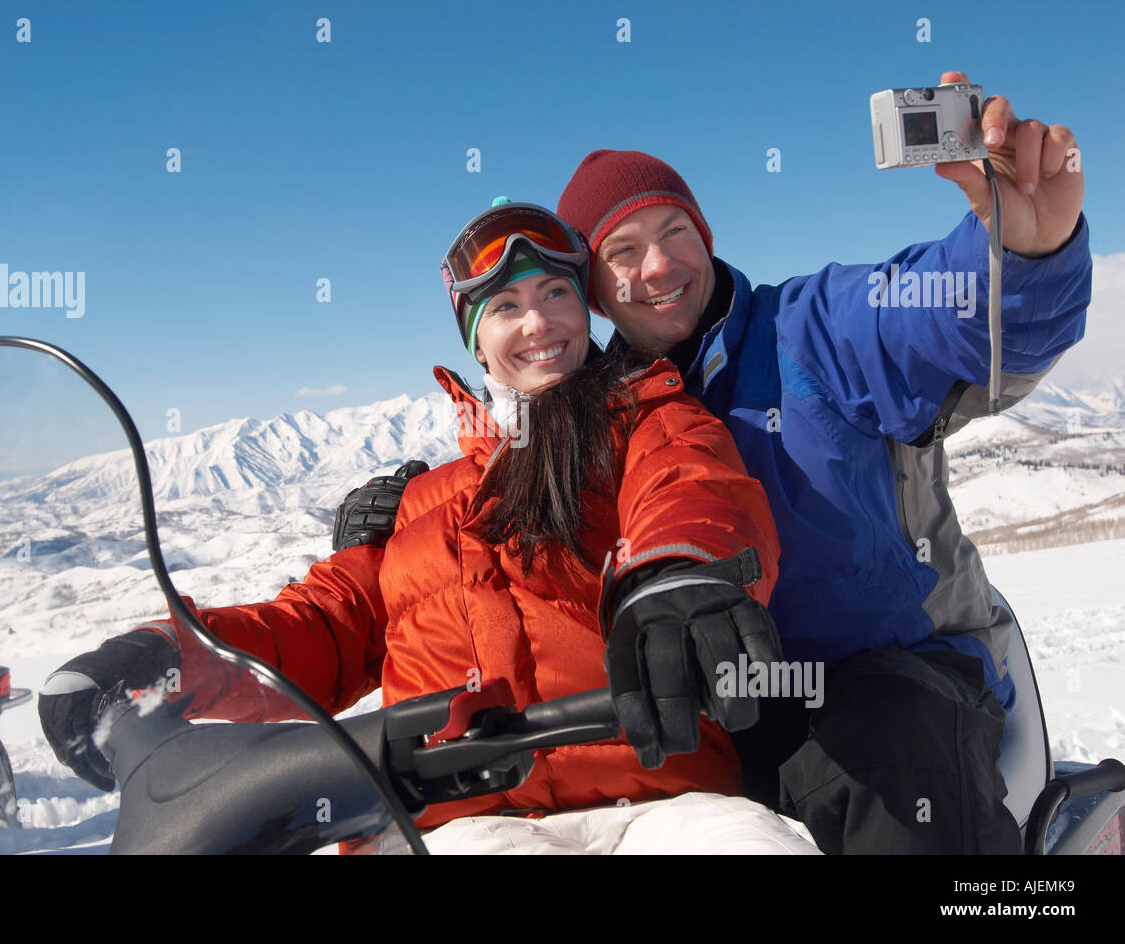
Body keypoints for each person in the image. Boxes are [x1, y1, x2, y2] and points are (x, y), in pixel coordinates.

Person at [336, 73, 1092, 854]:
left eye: (676, 234)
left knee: (880, 753)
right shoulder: (594, 416)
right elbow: (509, 521)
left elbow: (950, 322)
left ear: (707, 236)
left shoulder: (818, 330)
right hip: (721, 711)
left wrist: (1022, 250)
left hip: (896, 680)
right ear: (592, 289)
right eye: (624, 251)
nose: (659, 267)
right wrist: (403, 519)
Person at [40, 200, 815, 851]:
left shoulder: (647, 420)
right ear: (474, 338)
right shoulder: (413, 505)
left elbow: (693, 490)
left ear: (586, 310)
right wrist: (168, 650)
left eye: (556, 294)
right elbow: (315, 627)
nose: (537, 321)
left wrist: (675, 572)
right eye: (506, 306)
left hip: (661, 798)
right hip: (460, 818)